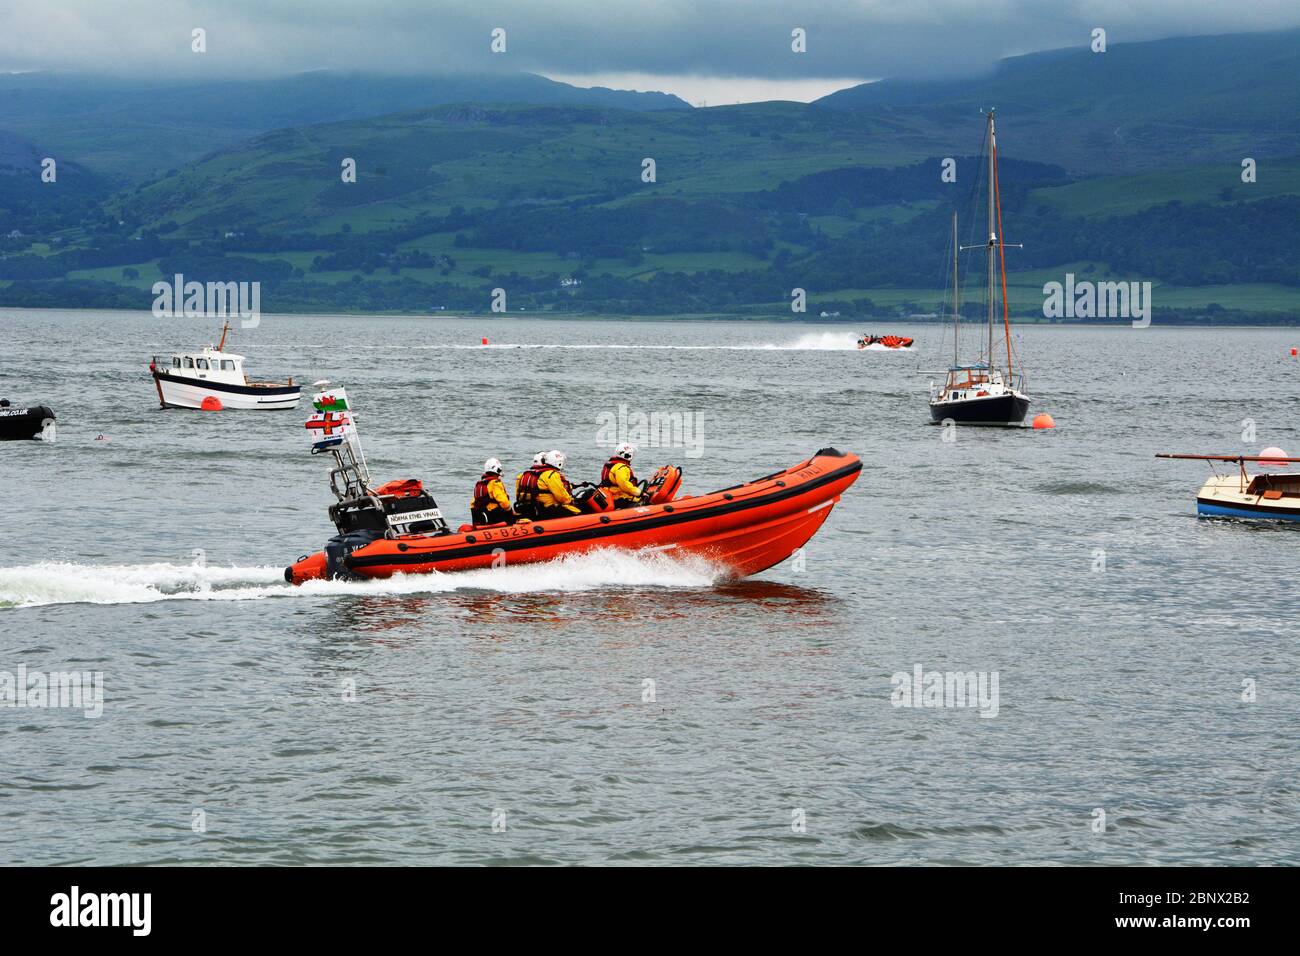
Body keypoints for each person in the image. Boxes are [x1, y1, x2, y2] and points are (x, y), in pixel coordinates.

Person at [533, 449, 581, 519]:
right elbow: (560, 495)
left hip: (540, 507)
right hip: (549, 508)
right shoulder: (552, 475)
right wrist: (570, 501)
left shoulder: (539, 473)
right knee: (578, 512)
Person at [470, 458, 517, 526]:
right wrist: (510, 511)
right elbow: (504, 502)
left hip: (482, 516)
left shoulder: (480, 484)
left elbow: (473, 504)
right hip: (495, 517)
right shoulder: (495, 483)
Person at [600, 442, 641, 507]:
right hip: (618, 497)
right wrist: (638, 492)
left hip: (610, 494)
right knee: (641, 502)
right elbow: (624, 485)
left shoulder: (614, 464)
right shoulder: (622, 468)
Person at [514, 452, 549, 519]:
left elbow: (517, 494)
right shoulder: (545, 477)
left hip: (522, 507)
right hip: (538, 510)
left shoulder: (522, 476)